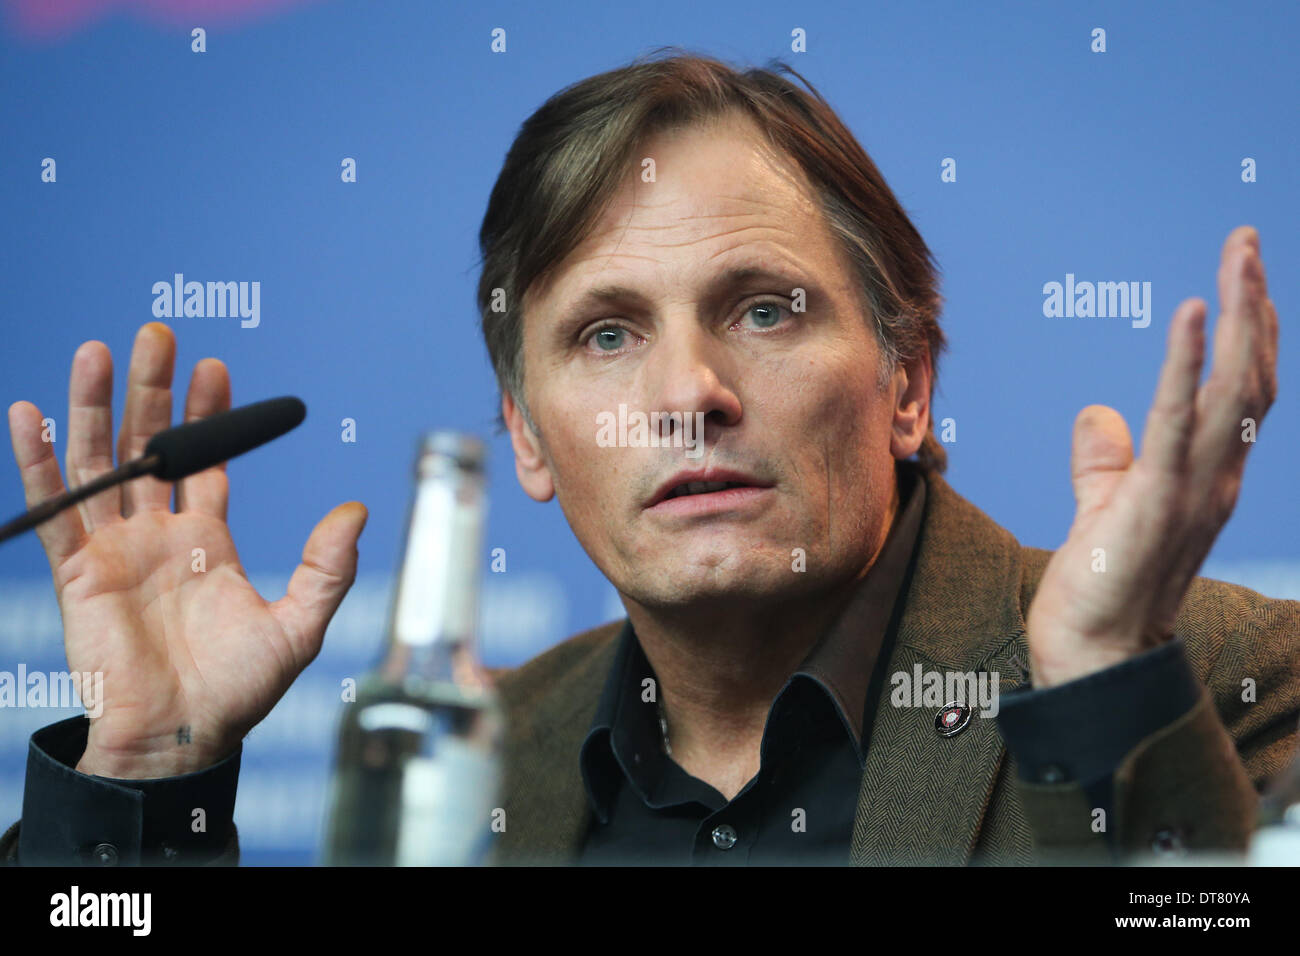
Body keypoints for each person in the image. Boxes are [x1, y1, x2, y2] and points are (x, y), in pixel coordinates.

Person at [3, 52, 1297, 867]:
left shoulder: (1239, 680)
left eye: (765, 308)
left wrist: (1106, 703)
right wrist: (147, 781)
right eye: (608, 333)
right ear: (528, 438)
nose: (689, 395)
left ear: (906, 380)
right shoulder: (473, 771)